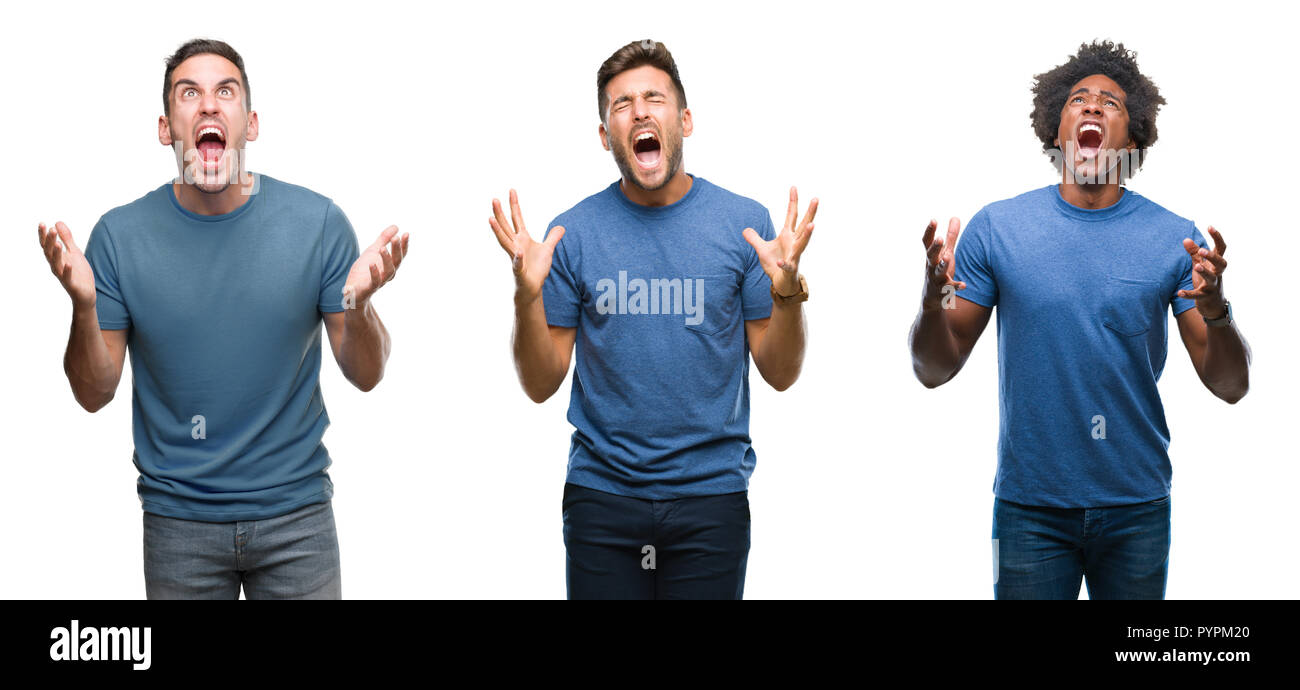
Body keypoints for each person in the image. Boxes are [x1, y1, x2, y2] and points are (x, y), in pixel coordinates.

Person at [36, 38, 409, 599]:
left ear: (250, 122)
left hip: (297, 519)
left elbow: (367, 373)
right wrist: (83, 307)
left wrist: (357, 303)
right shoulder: (118, 237)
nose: (209, 105)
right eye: (190, 93)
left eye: (225, 92)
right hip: (177, 525)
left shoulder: (319, 224)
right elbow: (93, 393)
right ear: (166, 127)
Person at [908, 40, 1251, 599]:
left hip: (1137, 507)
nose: (1092, 106)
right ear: (1055, 129)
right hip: (1026, 511)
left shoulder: (1175, 239)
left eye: (1110, 103)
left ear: (1133, 139)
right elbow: (933, 368)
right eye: (1077, 99)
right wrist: (932, 300)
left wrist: (1216, 312)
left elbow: (1231, 385)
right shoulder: (997, 229)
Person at [488, 39, 816, 599]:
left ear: (684, 121)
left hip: (711, 500)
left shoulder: (746, 226)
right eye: (621, 104)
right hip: (602, 500)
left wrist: (786, 294)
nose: (639, 111)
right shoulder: (572, 234)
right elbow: (541, 385)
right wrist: (526, 297)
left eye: (654, 99)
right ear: (604, 136)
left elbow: (781, 373)